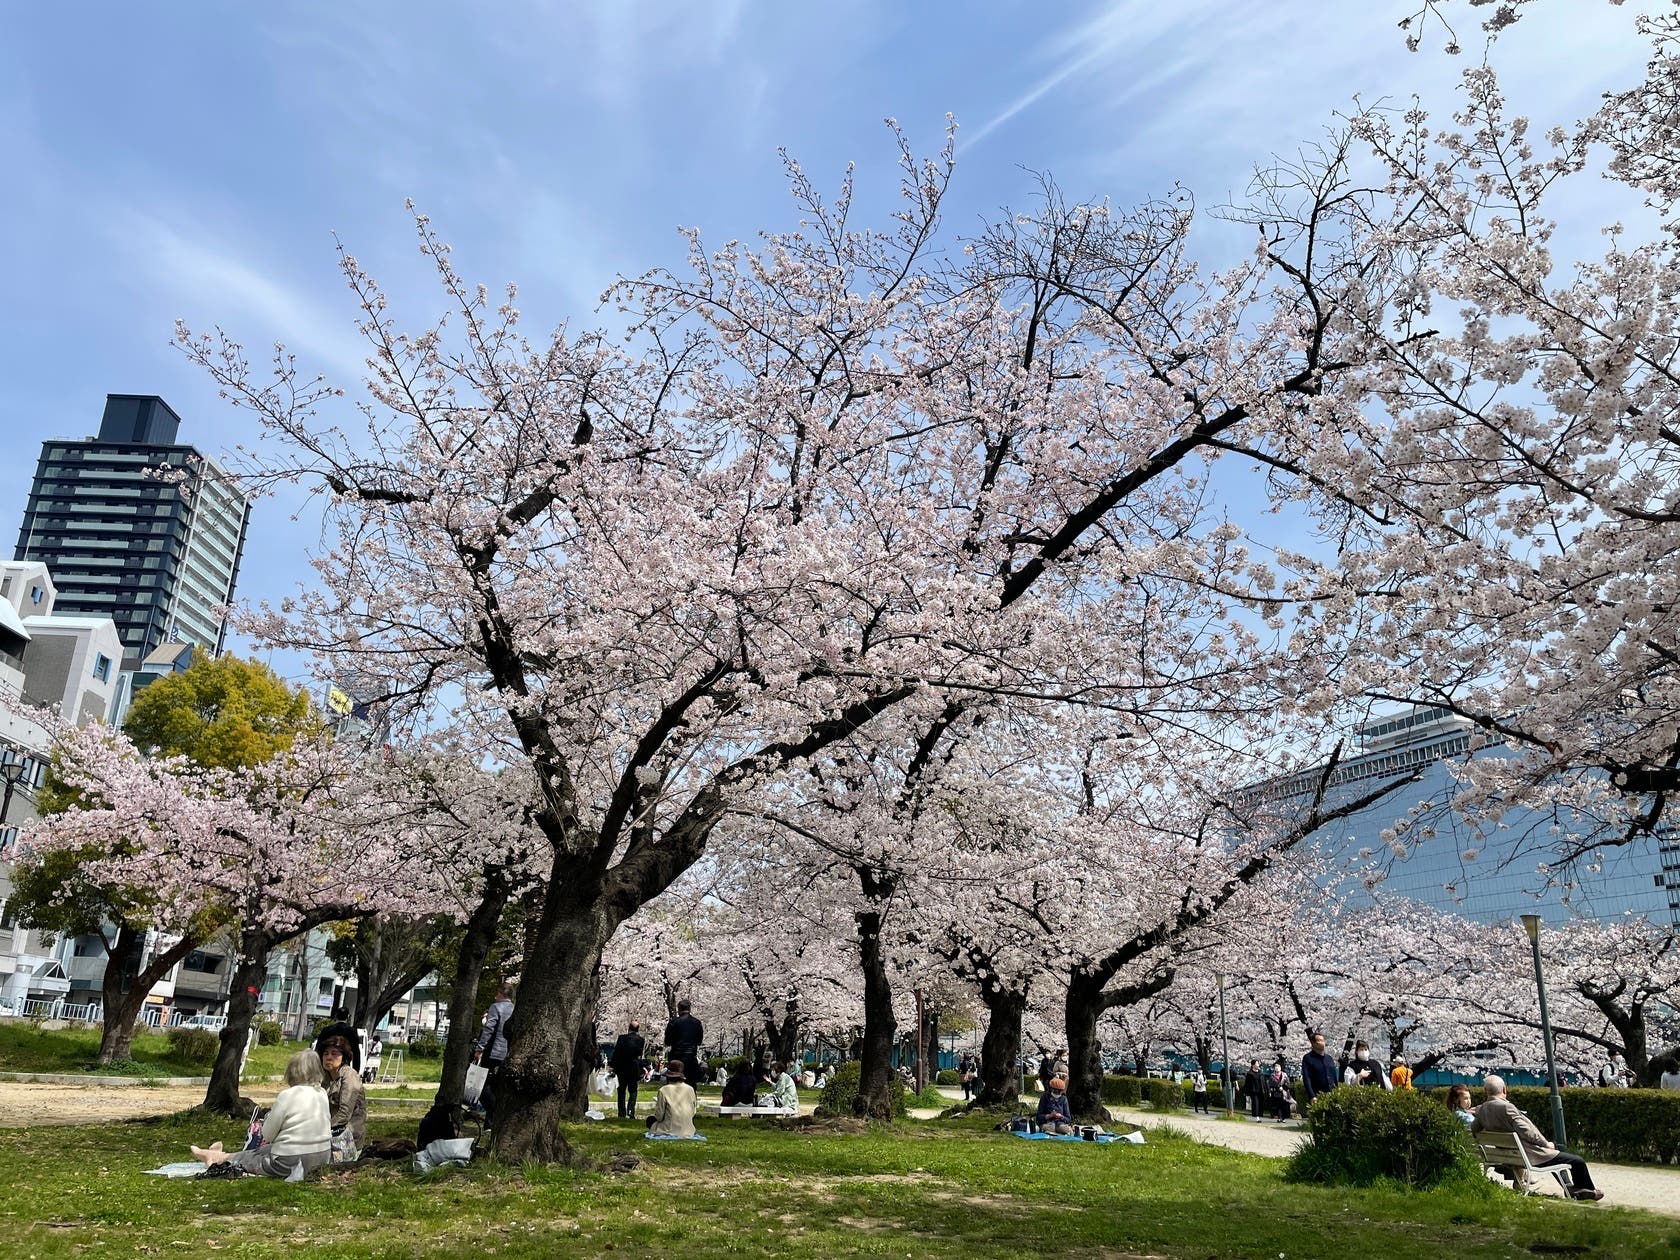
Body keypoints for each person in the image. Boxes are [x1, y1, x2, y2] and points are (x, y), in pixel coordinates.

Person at [190, 1049, 331, 1178]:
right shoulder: (322, 1093)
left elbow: (268, 1135)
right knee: (264, 1150)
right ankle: (218, 1155)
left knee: (252, 1157)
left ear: (292, 1071)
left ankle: (215, 1158)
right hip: (322, 1158)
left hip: (288, 1162)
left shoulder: (287, 1096)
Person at [1474, 1074, 1603, 1201]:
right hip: (1530, 1156)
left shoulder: (1481, 1110)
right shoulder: (1506, 1107)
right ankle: (1585, 1191)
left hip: (1509, 1155)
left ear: (1486, 1091)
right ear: (1504, 1089)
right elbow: (1526, 1131)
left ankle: (1570, 1188)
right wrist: (1545, 1143)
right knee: (1577, 1161)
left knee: (1557, 1154)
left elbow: (1474, 1130)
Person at [317, 1033, 366, 1162]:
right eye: (325, 1054)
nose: (329, 1057)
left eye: (334, 1054)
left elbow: (345, 1113)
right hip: (328, 1134)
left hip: (348, 1137)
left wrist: (322, 1129)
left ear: (343, 1057)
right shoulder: (325, 1077)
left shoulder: (349, 1076)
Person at [647, 1058, 698, 1138]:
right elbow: (693, 1112)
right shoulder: (690, 1089)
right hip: (688, 1130)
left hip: (669, 1129)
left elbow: (659, 1116)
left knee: (650, 1120)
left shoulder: (664, 1090)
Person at [609, 1020, 647, 1119]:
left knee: (621, 1091)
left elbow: (617, 1053)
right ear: (638, 1030)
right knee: (633, 1090)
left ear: (628, 1028)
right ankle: (631, 1111)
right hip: (634, 1067)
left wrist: (612, 1065)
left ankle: (621, 1112)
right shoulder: (641, 1040)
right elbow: (639, 1054)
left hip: (622, 1067)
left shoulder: (622, 1038)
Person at [663, 999, 704, 1087]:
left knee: (673, 1084)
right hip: (691, 1057)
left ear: (679, 1009)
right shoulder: (697, 1023)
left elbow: (667, 1042)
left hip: (676, 1056)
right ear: (690, 1009)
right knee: (691, 1084)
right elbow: (699, 1042)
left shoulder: (673, 1022)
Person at [1301, 1031, 1339, 1103]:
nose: (1322, 1043)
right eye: (1320, 1041)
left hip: (1332, 1094)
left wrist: (1337, 1091)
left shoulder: (1329, 1058)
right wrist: (1312, 1096)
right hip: (1318, 1095)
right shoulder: (1308, 1058)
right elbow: (1306, 1078)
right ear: (1313, 1043)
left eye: (1323, 1040)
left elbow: (1334, 1077)